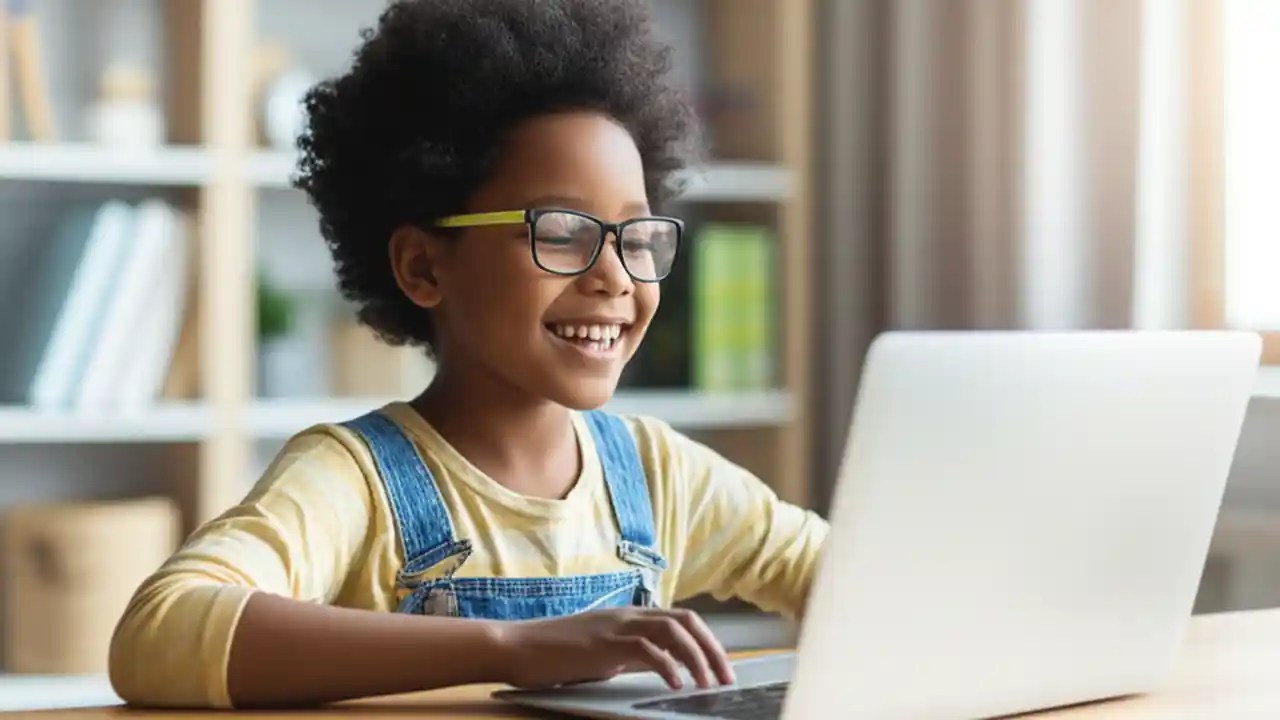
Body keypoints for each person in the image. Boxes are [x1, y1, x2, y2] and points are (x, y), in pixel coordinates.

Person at [108, 0, 828, 709]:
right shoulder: (355, 481)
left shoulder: (658, 475)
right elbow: (160, 631)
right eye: (563, 231)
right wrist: (514, 649)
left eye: (635, 239)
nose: (614, 275)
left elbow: (856, 574)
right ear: (423, 266)